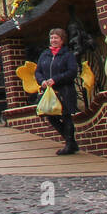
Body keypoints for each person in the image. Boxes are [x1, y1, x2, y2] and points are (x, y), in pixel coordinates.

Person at [35, 27, 79, 155]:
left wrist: (55, 79)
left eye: (56, 38)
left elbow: (72, 72)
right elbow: (38, 71)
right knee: (51, 117)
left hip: (64, 91)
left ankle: (69, 144)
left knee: (66, 117)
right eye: (52, 38)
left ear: (62, 40)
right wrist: (42, 80)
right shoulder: (45, 54)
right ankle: (71, 142)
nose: (53, 40)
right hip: (49, 92)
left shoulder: (67, 55)